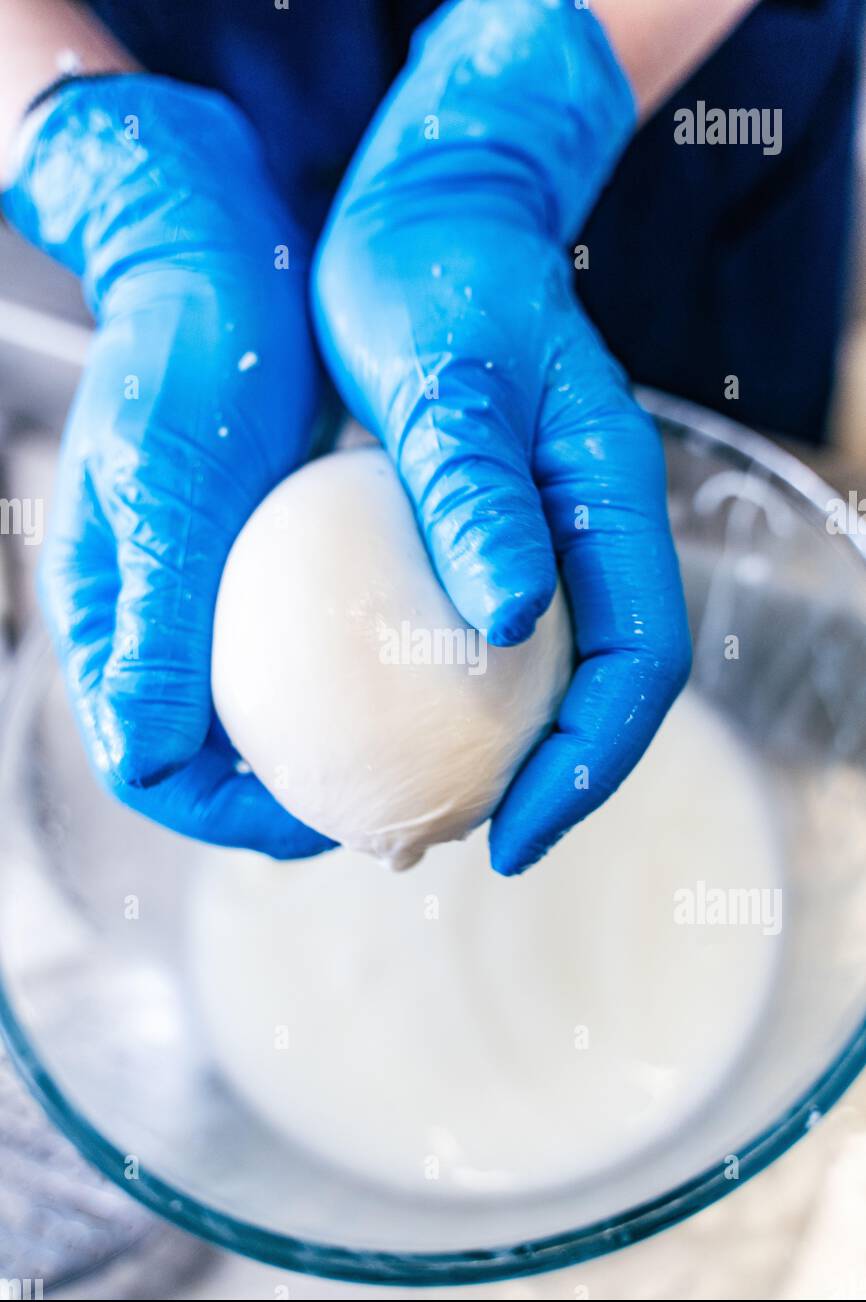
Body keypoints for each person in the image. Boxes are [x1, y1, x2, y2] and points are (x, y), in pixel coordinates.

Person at [0, 0, 860, 874]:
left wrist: (523, 108)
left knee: (678, 522)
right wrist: (107, 165)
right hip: (188, 65)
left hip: (664, 85)